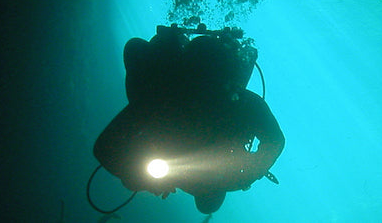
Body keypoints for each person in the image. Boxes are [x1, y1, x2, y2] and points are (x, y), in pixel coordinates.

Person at [93, 24, 285, 214]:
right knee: (207, 204)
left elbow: (103, 150)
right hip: (177, 157)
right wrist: (144, 179)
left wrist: (250, 172)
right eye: (198, 79)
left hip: (202, 162)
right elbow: (104, 150)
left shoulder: (239, 101)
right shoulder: (161, 96)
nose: (201, 92)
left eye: (207, 81)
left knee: (208, 206)